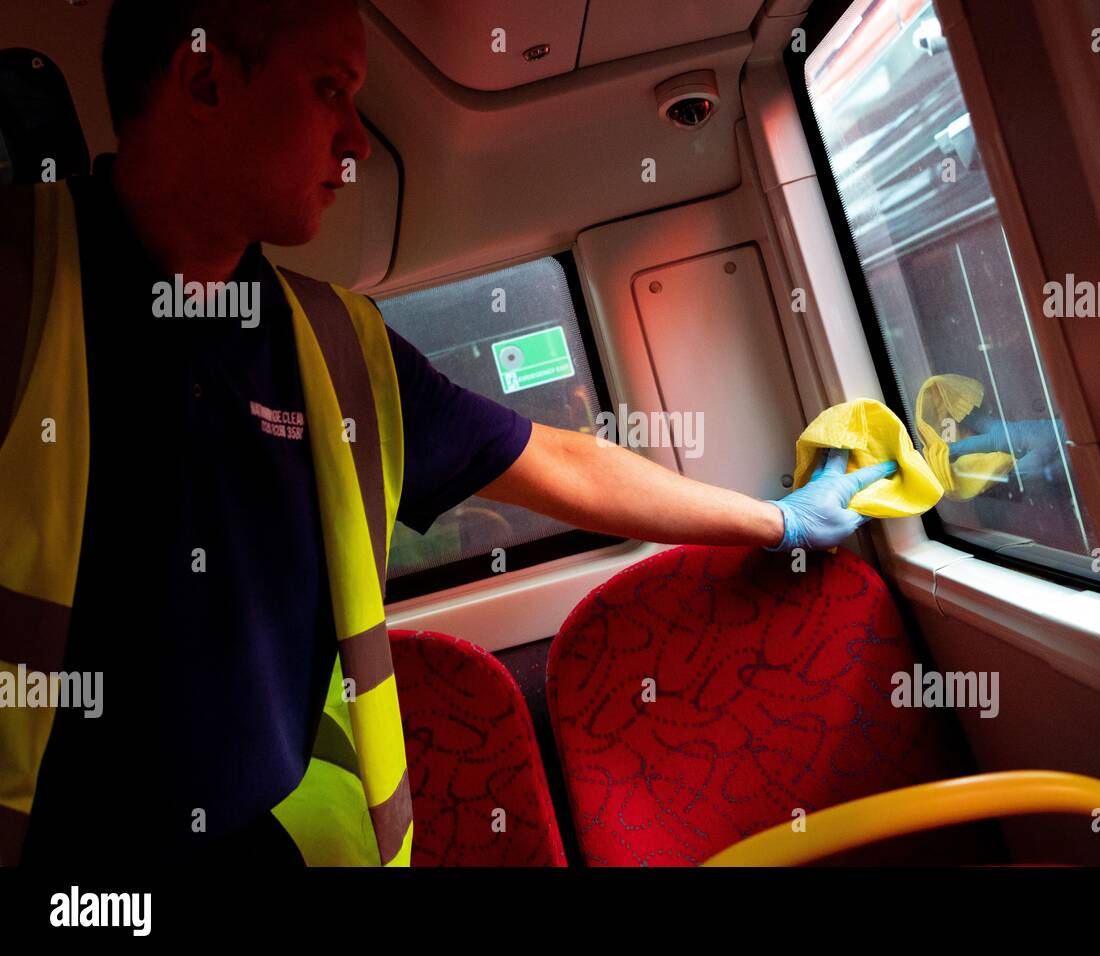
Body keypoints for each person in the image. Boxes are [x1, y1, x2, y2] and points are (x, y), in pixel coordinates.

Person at [0, 0, 897, 865]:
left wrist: (778, 521)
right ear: (204, 80)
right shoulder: (18, 281)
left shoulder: (335, 347)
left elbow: (558, 462)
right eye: (329, 89)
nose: (355, 140)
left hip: (267, 845)